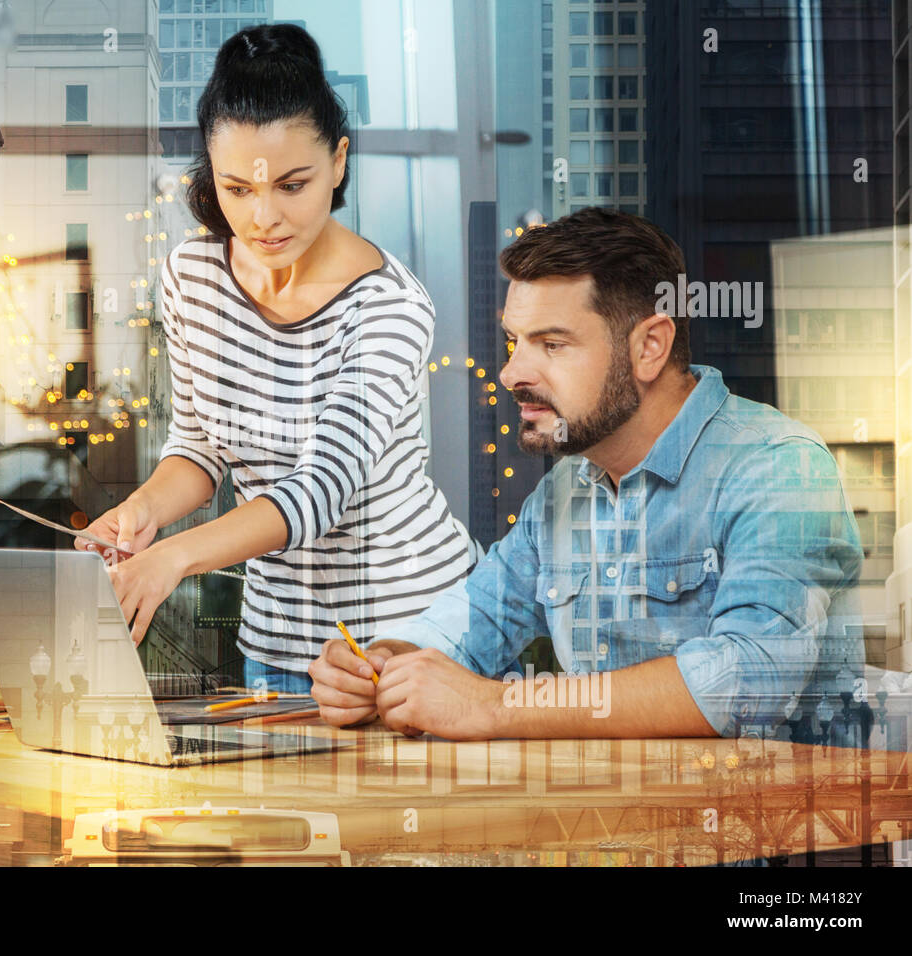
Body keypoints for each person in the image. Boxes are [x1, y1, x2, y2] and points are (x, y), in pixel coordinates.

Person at [309, 207, 865, 740]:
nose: (511, 373)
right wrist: (378, 666)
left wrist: (496, 706)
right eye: (513, 342)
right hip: (613, 829)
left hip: (776, 832)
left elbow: (747, 680)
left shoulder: (779, 466)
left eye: (552, 344)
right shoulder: (564, 492)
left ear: (650, 346)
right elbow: (472, 619)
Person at [76, 24, 477, 694]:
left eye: (293, 185)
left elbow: (320, 490)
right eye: (237, 189)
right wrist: (145, 511)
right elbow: (200, 449)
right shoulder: (192, 278)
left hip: (412, 636)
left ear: (339, 162)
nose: (264, 218)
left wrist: (172, 559)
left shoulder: (388, 309)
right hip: (276, 643)